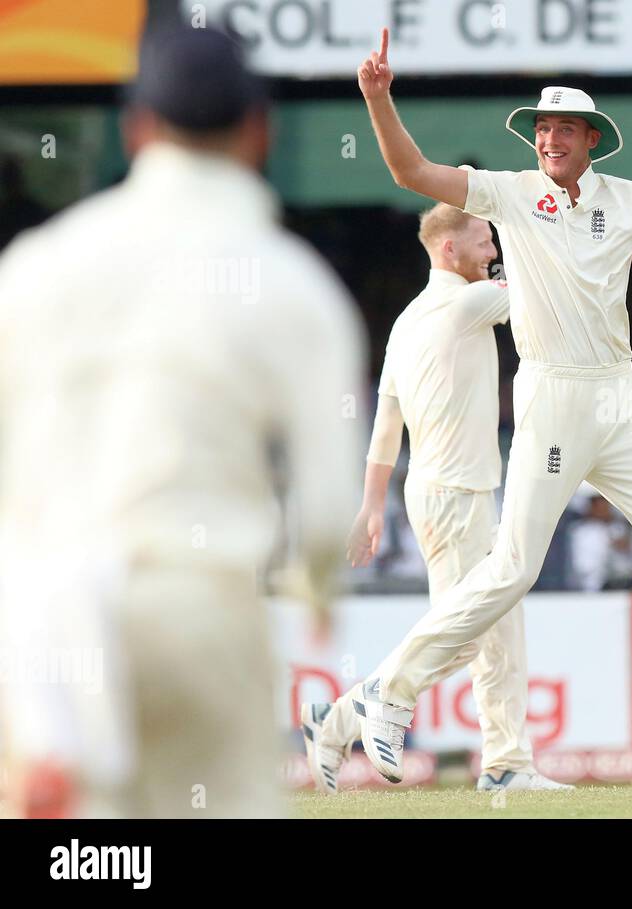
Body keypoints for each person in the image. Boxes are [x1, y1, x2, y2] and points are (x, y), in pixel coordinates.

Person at [346, 29, 632, 782]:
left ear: (592, 139)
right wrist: (378, 98)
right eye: (541, 128)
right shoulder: (506, 192)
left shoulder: (629, 202)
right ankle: (389, 689)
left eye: (565, 128)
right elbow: (410, 171)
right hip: (553, 392)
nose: (550, 138)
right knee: (512, 569)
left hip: (623, 398)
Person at [0, 26, 363, 817]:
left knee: (89, 860)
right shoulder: (291, 283)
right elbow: (330, 510)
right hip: (199, 604)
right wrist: (313, 588)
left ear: (137, 130)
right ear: (260, 131)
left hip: (52, 610)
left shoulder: (35, 266)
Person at [299, 206, 570, 793]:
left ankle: (505, 764)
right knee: (472, 630)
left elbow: (385, 422)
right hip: (457, 494)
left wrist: (372, 505)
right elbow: (551, 282)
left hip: (441, 491)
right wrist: (614, 242)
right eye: (484, 240)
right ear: (449, 250)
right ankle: (364, 704)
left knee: (497, 627)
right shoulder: (466, 304)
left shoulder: (405, 320)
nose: (493, 250)